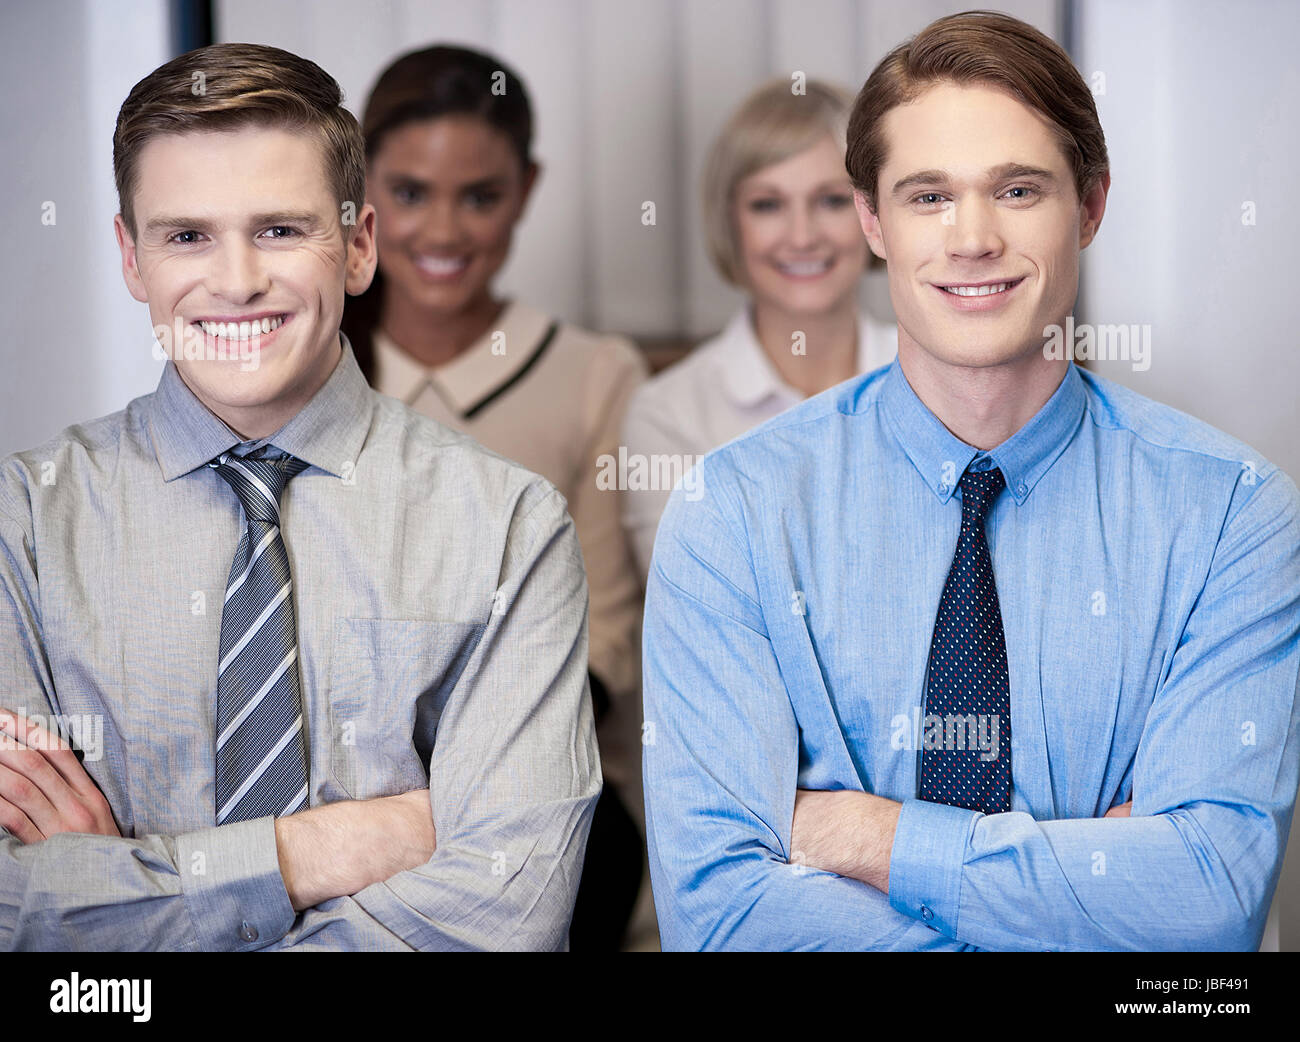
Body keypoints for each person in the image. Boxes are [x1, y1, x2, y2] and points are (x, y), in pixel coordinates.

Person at [642, 10, 1300, 950]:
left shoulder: (1234, 514)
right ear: (872, 218)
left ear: (1092, 205)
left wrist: (864, 834)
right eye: (927, 196)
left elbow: (1206, 904)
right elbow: (723, 918)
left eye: (1019, 189)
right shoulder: (736, 512)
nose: (973, 237)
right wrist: (1087, 887)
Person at [0, 42, 598, 951]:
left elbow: (504, 920)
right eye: (187, 235)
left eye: (280, 229)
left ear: (358, 247)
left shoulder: (509, 529)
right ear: (131, 257)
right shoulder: (26, 524)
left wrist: (118, 894)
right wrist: (311, 851)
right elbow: (11, 908)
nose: (237, 281)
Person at [342, 45, 646, 949]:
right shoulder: (309, 361)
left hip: (538, 791)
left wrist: (467, 781)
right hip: (342, 786)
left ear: (526, 188)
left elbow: (606, 638)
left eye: (480, 197)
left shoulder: (594, 375)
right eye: (409, 193)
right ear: (359, 190)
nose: (444, 230)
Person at [621, 79, 896, 583]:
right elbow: (700, 610)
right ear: (730, 223)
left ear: (874, 213)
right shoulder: (669, 415)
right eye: (767, 205)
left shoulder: (945, 378)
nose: (801, 236)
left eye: (832, 201)